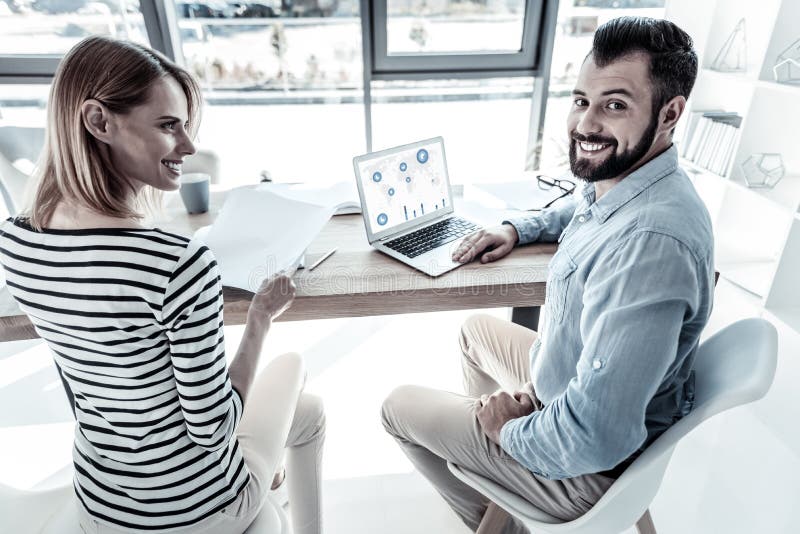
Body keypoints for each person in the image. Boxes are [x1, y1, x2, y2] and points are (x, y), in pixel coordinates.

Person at [381, 16, 714, 533]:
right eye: (582, 100)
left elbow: (594, 436)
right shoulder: (637, 181)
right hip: (569, 385)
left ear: (670, 112)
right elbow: (585, 207)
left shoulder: (652, 247)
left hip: (588, 468)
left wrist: (507, 433)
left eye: (615, 105)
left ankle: (504, 510)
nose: (586, 124)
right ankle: (495, 474)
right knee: (474, 334)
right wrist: (518, 227)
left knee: (396, 408)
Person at [0, 36, 324, 534]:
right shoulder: (176, 263)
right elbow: (212, 429)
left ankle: (271, 474)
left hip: (103, 501)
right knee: (299, 380)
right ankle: (275, 496)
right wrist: (259, 319)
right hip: (195, 509)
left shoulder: (13, 242)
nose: (189, 146)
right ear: (98, 122)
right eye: (169, 125)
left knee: (290, 412)